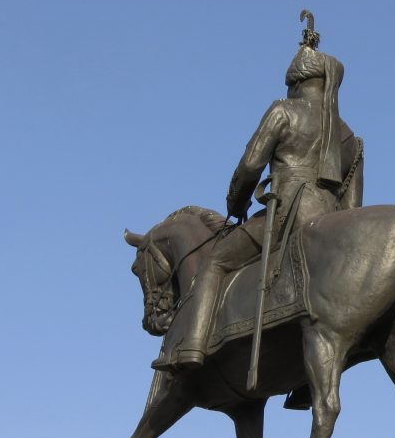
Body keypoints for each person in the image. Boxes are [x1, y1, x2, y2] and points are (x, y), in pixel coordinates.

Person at [152, 20, 363, 375]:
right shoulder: (348, 137)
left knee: (215, 262)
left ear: (296, 82)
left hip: (285, 216)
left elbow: (251, 165)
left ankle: (192, 346)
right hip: (328, 223)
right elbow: (353, 209)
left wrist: (236, 204)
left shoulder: (283, 111)